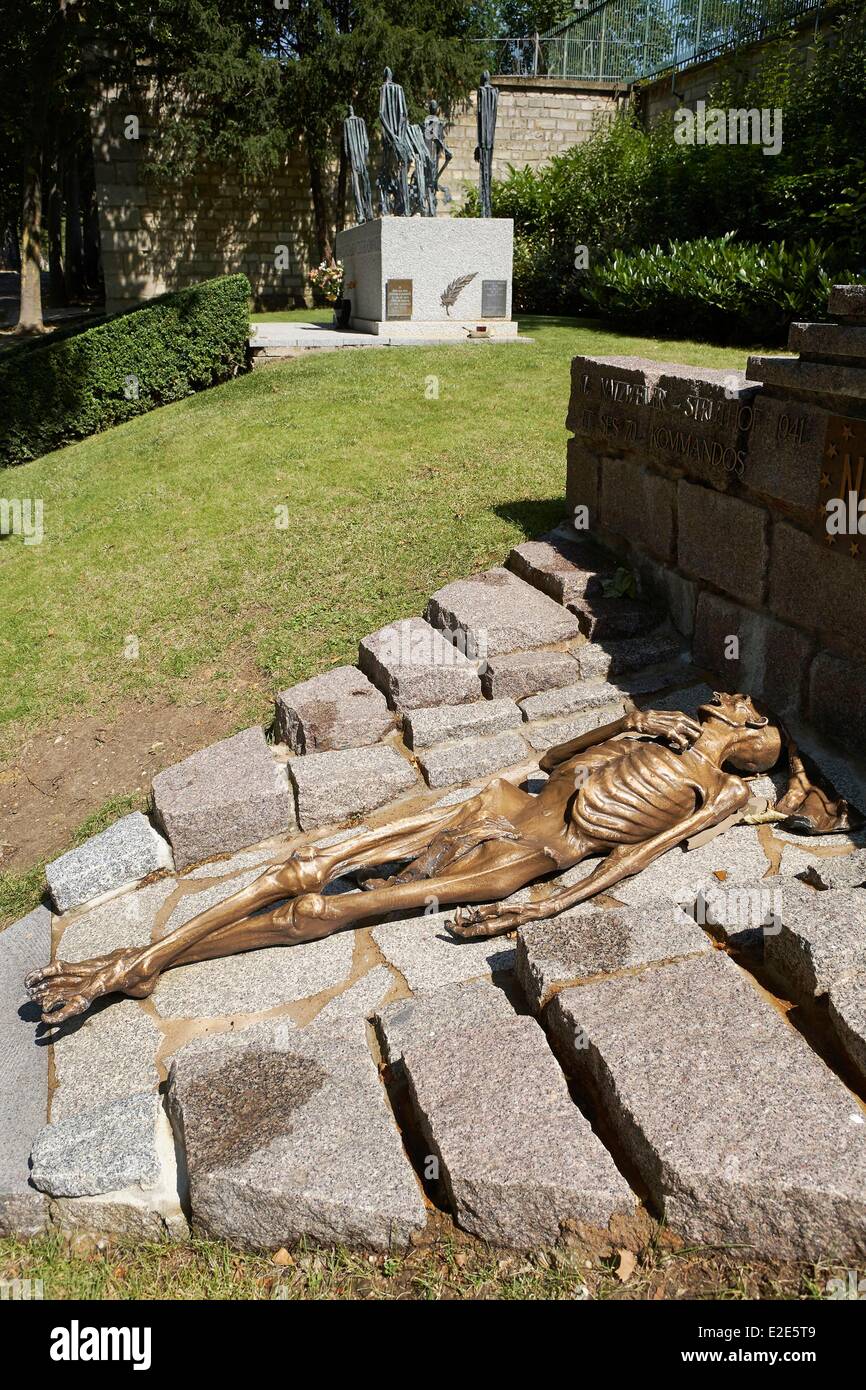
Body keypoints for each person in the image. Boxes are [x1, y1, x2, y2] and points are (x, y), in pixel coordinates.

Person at [27, 693, 854, 1023]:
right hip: (500, 805)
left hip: (529, 857)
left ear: (750, 747)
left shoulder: (714, 796)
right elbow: (555, 752)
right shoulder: (651, 728)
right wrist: (625, 719)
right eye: (722, 706)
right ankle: (141, 960)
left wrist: (541, 906)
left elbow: (630, 861)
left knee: (327, 908)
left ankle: (142, 964)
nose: (725, 714)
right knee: (306, 864)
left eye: (741, 722)